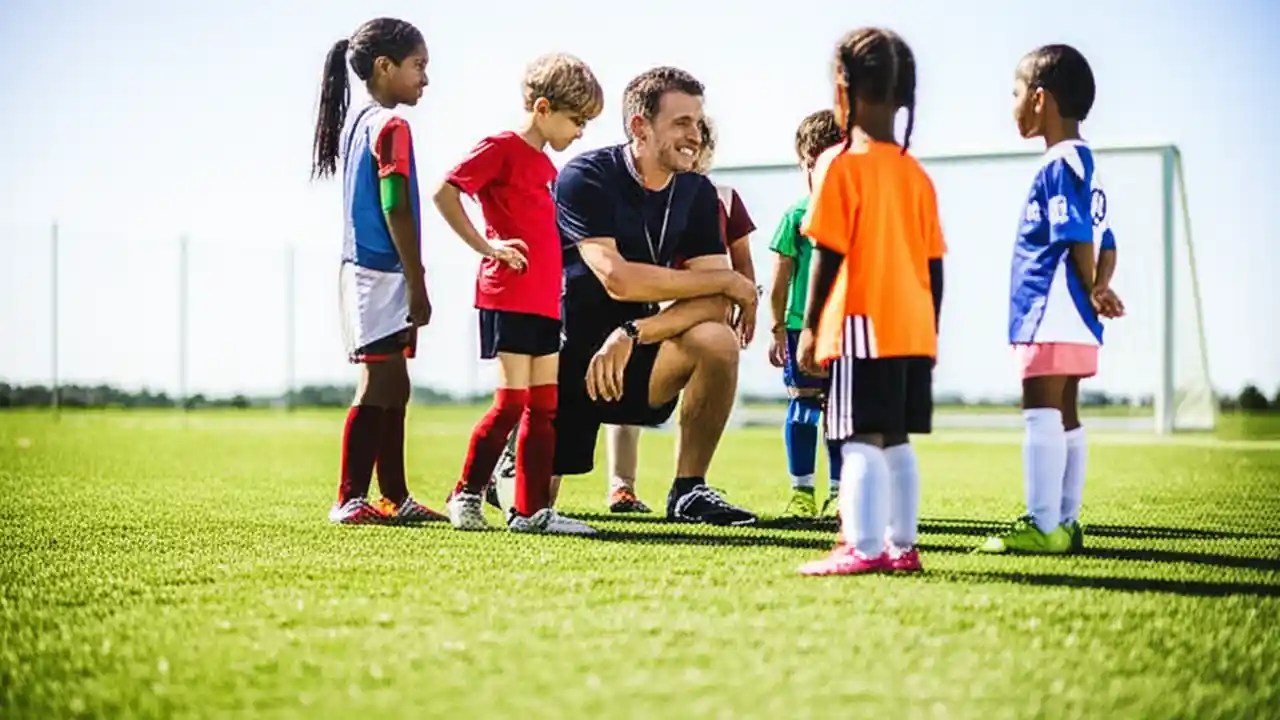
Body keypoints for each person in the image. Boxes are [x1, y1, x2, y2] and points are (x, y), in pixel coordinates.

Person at [549, 66, 761, 526]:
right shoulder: (585, 176)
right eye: (682, 122)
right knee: (528, 511)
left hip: (637, 355)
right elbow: (618, 279)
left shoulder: (698, 192)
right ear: (639, 127)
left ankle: (689, 490)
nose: (696, 135)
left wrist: (633, 332)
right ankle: (514, 451)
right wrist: (724, 281)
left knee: (716, 338)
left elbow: (714, 302)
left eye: (698, 122)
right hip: (566, 359)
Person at [434, 54, 604, 535]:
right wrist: (487, 247)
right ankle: (465, 494)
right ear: (544, 108)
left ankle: (530, 512)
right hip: (507, 297)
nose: (580, 132)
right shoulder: (501, 147)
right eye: (576, 120)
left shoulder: (547, 168)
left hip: (545, 303)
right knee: (510, 403)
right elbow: (445, 192)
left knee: (544, 407)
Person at [796, 28, 945, 576]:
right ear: (905, 95)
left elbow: (827, 253)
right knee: (897, 438)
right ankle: (902, 547)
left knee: (856, 433)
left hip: (862, 321)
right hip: (911, 327)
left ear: (844, 89)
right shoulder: (916, 175)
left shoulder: (841, 163)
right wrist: (931, 329)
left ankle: (861, 545)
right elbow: (935, 266)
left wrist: (811, 328)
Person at [976, 44, 1124, 555]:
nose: (1012, 104)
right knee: (1066, 412)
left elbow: (1079, 234)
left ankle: (1042, 525)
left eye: (1016, 93)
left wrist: (1087, 285)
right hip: (1077, 317)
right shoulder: (1090, 164)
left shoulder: (1060, 165)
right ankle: (1066, 521)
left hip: (1051, 308)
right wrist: (1100, 287)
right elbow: (1109, 242)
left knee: (1040, 408)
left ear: (1040, 100)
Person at [312, 18, 445, 525]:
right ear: (385, 67)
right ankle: (349, 498)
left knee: (398, 383)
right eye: (419, 66)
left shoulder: (362, 121)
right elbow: (396, 206)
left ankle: (395, 495)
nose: (425, 79)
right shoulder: (389, 125)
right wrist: (418, 278)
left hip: (373, 270)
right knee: (377, 379)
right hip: (377, 273)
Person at [597, 114, 759, 515]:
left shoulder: (719, 197)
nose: (693, 145)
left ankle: (688, 487)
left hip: (696, 312)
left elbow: (739, 261)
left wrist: (743, 295)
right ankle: (621, 484)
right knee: (616, 369)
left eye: (700, 138)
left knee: (709, 348)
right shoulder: (633, 193)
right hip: (648, 309)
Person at [767, 109, 846, 519]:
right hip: (802, 329)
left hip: (843, 330)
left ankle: (838, 493)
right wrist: (778, 328)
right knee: (805, 406)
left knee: (839, 412)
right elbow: (780, 277)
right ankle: (803, 492)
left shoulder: (853, 216)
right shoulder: (796, 217)